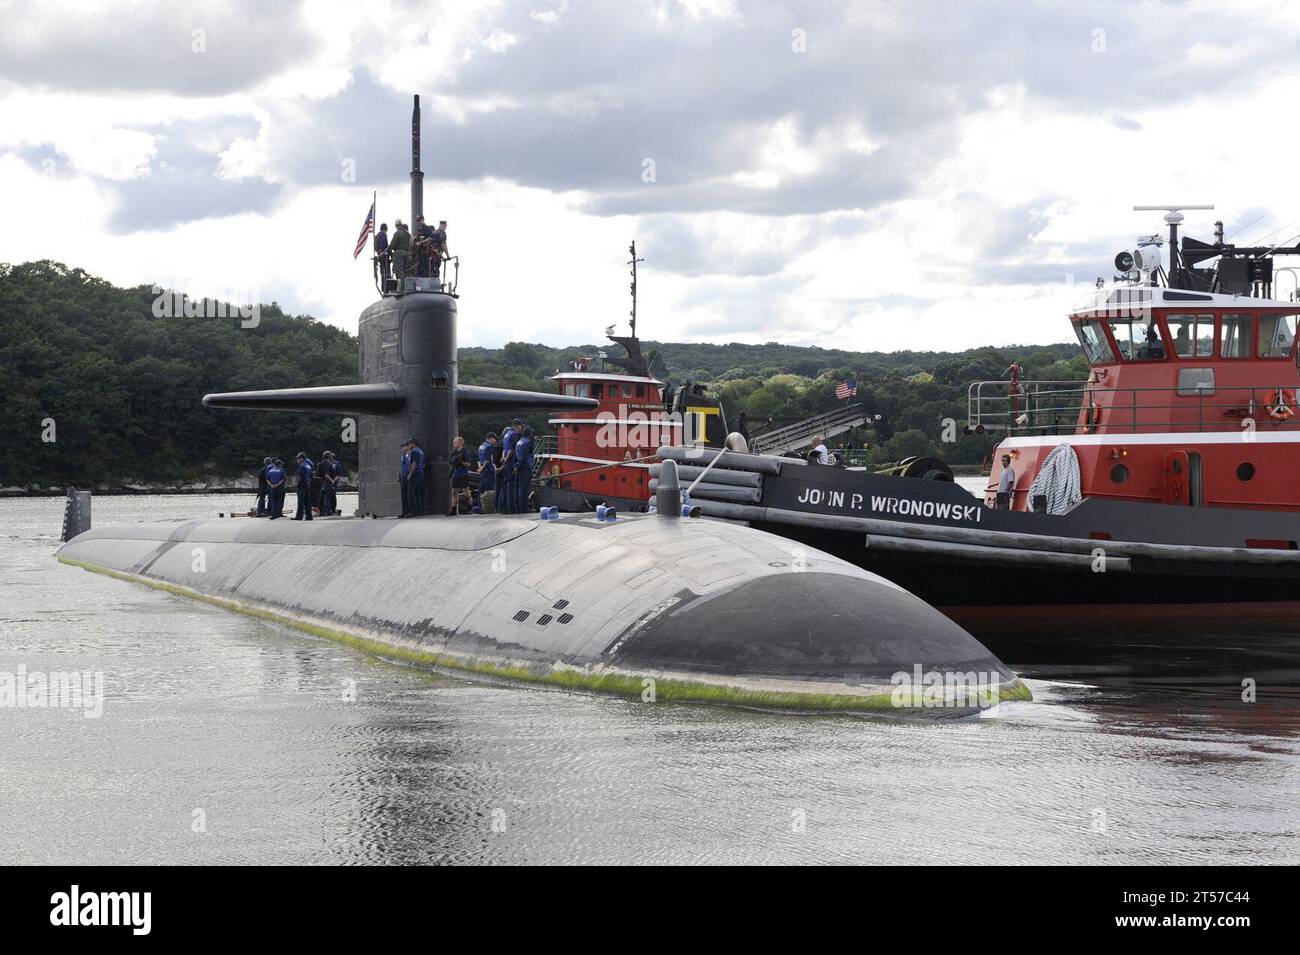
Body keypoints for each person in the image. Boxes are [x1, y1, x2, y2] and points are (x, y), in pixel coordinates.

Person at [498, 419, 523, 513]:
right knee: (512, 486)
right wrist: (507, 459)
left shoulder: (507, 434)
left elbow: (505, 449)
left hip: (505, 461)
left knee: (506, 485)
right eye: (521, 427)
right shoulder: (514, 435)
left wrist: (503, 458)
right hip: (510, 462)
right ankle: (511, 509)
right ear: (518, 426)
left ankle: (503, 508)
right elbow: (512, 449)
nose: (521, 429)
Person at [448, 436, 472, 515]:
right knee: (454, 492)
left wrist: (461, 462)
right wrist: (454, 461)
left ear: (460, 443)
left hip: (463, 474)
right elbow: (450, 461)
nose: (453, 444)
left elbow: (468, 464)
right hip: (456, 474)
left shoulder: (465, 452)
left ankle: (469, 508)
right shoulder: (454, 451)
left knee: (466, 492)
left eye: (455, 442)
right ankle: (453, 510)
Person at [513, 426, 534, 513]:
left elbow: (516, 456)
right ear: (529, 434)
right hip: (525, 468)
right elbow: (524, 457)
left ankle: (518, 508)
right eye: (532, 433)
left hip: (519, 467)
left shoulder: (519, 442)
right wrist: (519, 467)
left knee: (518, 488)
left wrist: (516, 467)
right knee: (524, 489)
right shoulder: (527, 443)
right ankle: (524, 509)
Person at [477, 431, 499, 514]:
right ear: (490, 438)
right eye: (494, 439)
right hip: (488, 471)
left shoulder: (481, 446)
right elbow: (487, 460)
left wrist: (480, 468)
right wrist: (482, 468)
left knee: (481, 490)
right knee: (489, 490)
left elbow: (479, 460)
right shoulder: (489, 447)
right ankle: (488, 509)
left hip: (482, 471)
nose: (495, 441)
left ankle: (481, 508)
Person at [291, 452, 314, 520]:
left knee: (300, 501)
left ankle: (299, 516)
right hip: (307, 484)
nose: (297, 460)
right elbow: (311, 475)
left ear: (301, 459)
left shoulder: (302, 466)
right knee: (307, 502)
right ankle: (309, 516)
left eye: (298, 458)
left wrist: (297, 483)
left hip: (302, 485)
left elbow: (299, 477)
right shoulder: (308, 466)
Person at [407, 438, 426, 516]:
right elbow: (424, 463)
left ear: (413, 443)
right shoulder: (421, 451)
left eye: (409, 444)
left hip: (415, 474)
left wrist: (410, 474)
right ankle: (419, 511)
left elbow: (414, 463)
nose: (408, 446)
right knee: (418, 493)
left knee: (411, 493)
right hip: (421, 473)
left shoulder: (414, 451)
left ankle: (413, 512)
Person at [318, 450, 340, 516]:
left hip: (322, 483)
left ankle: (321, 511)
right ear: (330, 457)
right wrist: (332, 481)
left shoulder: (321, 463)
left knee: (322, 497)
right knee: (328, 497)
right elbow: (326, 475)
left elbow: (319, 474)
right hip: (328, 483)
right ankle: (327, 511)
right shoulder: (328, 464)